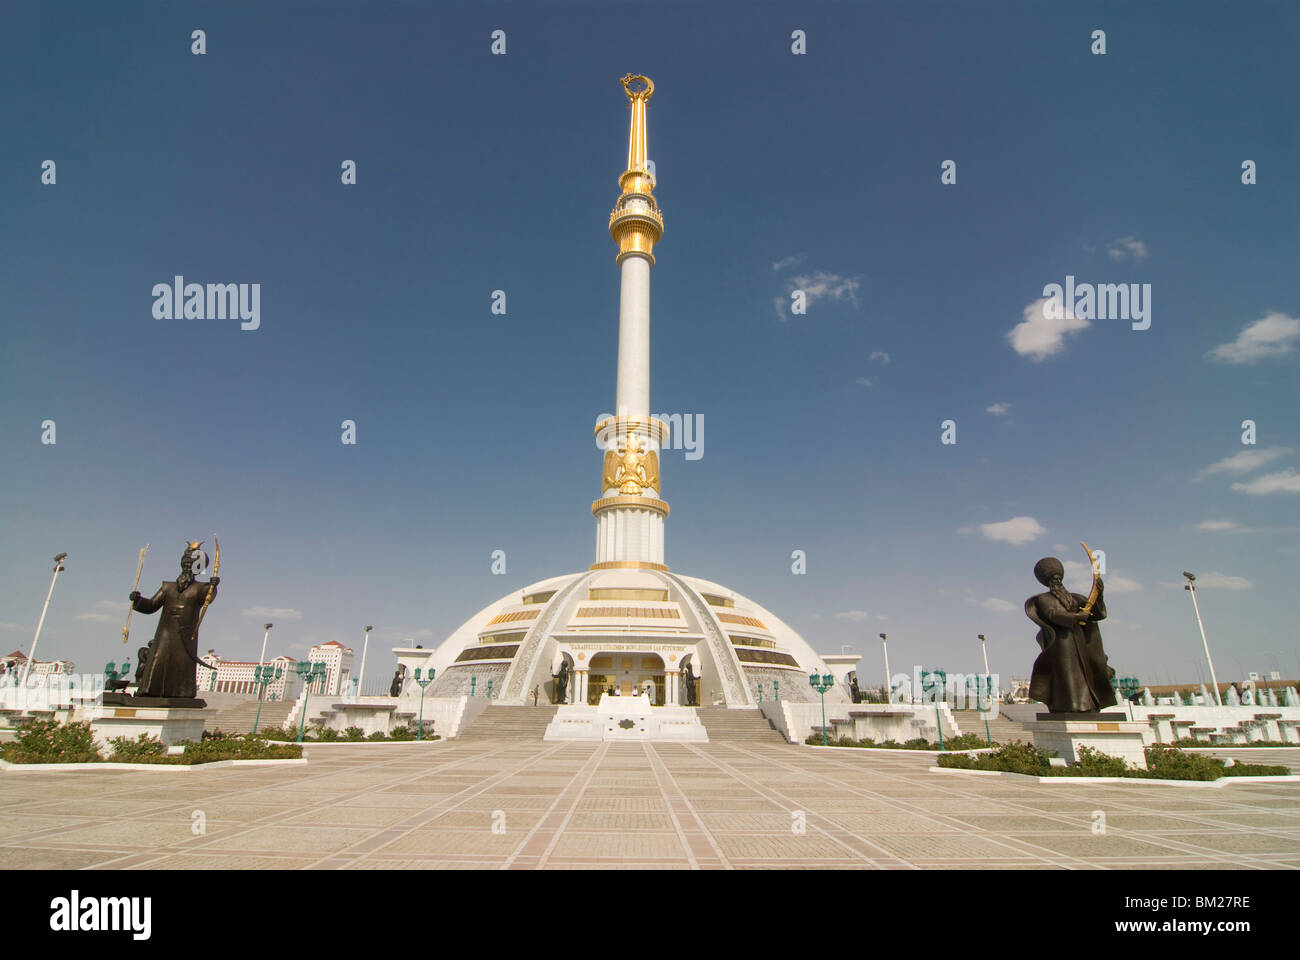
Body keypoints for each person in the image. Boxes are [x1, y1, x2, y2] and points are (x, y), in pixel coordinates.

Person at [129, 542, 219, 699]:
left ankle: (180, 693)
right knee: (157, 658)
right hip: (165, 631)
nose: (187, 567)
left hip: (184, 632)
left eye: (192, 564)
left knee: (181, 663)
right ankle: (149, 691)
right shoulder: (168, 587)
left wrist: (213, 587)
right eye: (186, 563)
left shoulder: (201, 588)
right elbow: (151, 605)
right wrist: (137, 600)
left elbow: (207, 599)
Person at [1025, 556, 1115, 713]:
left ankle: (1089, 705)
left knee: (1085, 673)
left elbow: (1097, 614)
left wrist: (1099, 595)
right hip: (1061, 642)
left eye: (1058, 576)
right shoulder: (1043, 599)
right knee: (1067, 673)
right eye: (1053, 577)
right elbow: (1052, 614)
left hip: (1079, 640)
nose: (1056, 580)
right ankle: (1070, 706)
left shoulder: (1074, 598)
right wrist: (1075, 617)